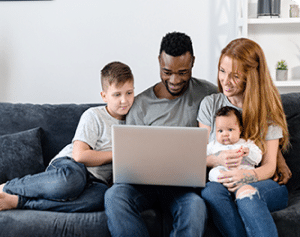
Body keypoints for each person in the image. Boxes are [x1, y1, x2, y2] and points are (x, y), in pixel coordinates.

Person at [0, 61, 135, 212]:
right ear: (104, 96)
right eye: (116, 95)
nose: (124, 100)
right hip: (71, 167)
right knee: (72, 181)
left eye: (129, 93)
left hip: (96, 181)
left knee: (100, 199)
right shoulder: (94, 116)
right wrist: (118, 155)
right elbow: (79, 155)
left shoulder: (135, 120)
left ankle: (19, 201)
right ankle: (7, 187)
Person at [104, 32, 219, 237]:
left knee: (196, 208)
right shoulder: (140, 104)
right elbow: (130, 156)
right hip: (143, 186)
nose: (174, 80)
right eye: (167, 72)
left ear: (193, 62)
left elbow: (240, 121)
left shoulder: (209, 94)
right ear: (159, 62)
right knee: (114, 196)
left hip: (184, 187)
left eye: (183, 72)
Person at [198, 38, 290, 237]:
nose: (225, 81)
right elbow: (201, 155)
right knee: (210, 192)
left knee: (245, 192)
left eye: (235, 76)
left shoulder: (267, 109)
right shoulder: (210, 104)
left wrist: (245, 177)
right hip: (222, 181)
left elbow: (269, 167)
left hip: (260, 182)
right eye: (222, 71)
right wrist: (218, 160)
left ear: (251, 77)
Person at [207, 106, 262, 182]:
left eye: (230, 129)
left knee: (249, 171)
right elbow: (202, 158)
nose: (225, 134)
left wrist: (249, 153)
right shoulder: (213, 145)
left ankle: (235, 181)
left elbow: (258, 159)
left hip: (242, 170)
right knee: (212, 173)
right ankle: (227, 179)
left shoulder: (246, 143)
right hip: (223, 170)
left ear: (240, 130)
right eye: (220, 131)